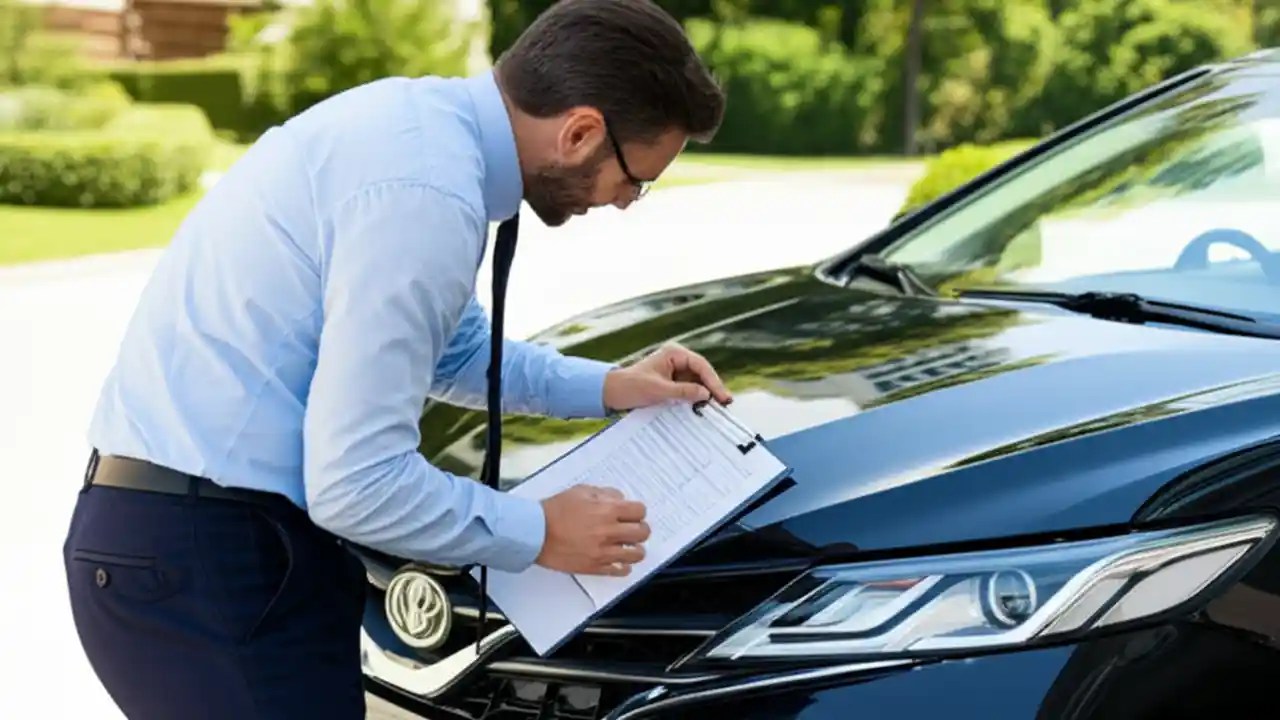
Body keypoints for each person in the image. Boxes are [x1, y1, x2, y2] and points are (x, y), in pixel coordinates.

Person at [61, 0, 729, 717]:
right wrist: (541, 531)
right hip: (210, 561)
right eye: (636, 179)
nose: (627, 203)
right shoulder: (427, 194)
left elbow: (455, 348)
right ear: (580, 131)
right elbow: (357, 484)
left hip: (179, 541)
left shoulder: (418, 133)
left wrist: (612, 387)